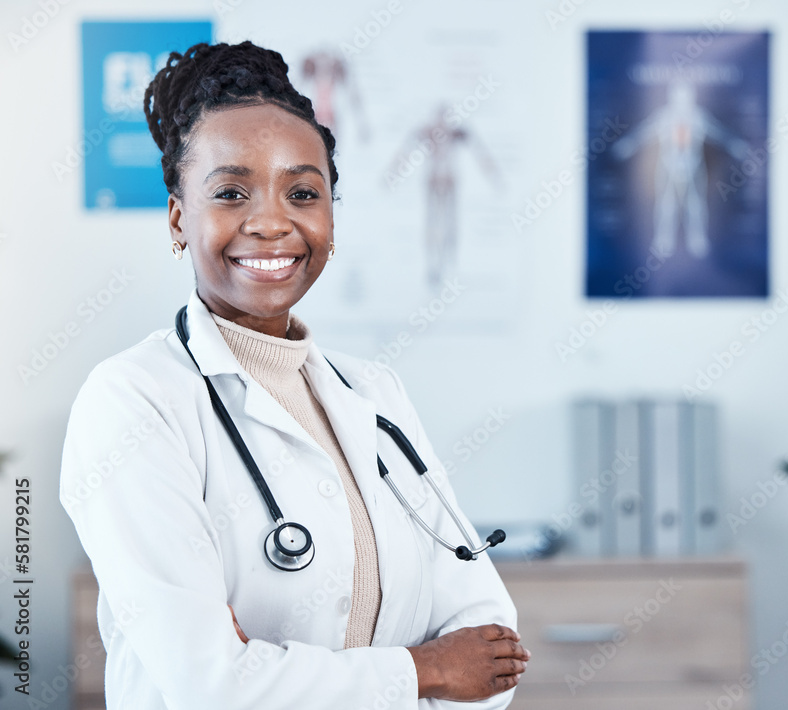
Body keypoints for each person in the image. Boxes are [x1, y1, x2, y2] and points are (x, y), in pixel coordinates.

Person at [59, 40, 529, 710]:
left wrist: (281, 673)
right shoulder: (133, 400)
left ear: (330, 216)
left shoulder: (374, 393)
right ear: (178, 218)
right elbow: (209, 683)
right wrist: (423, 671)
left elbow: (489, 648)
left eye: (302, 192)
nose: (271, 222)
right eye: (231, 192)